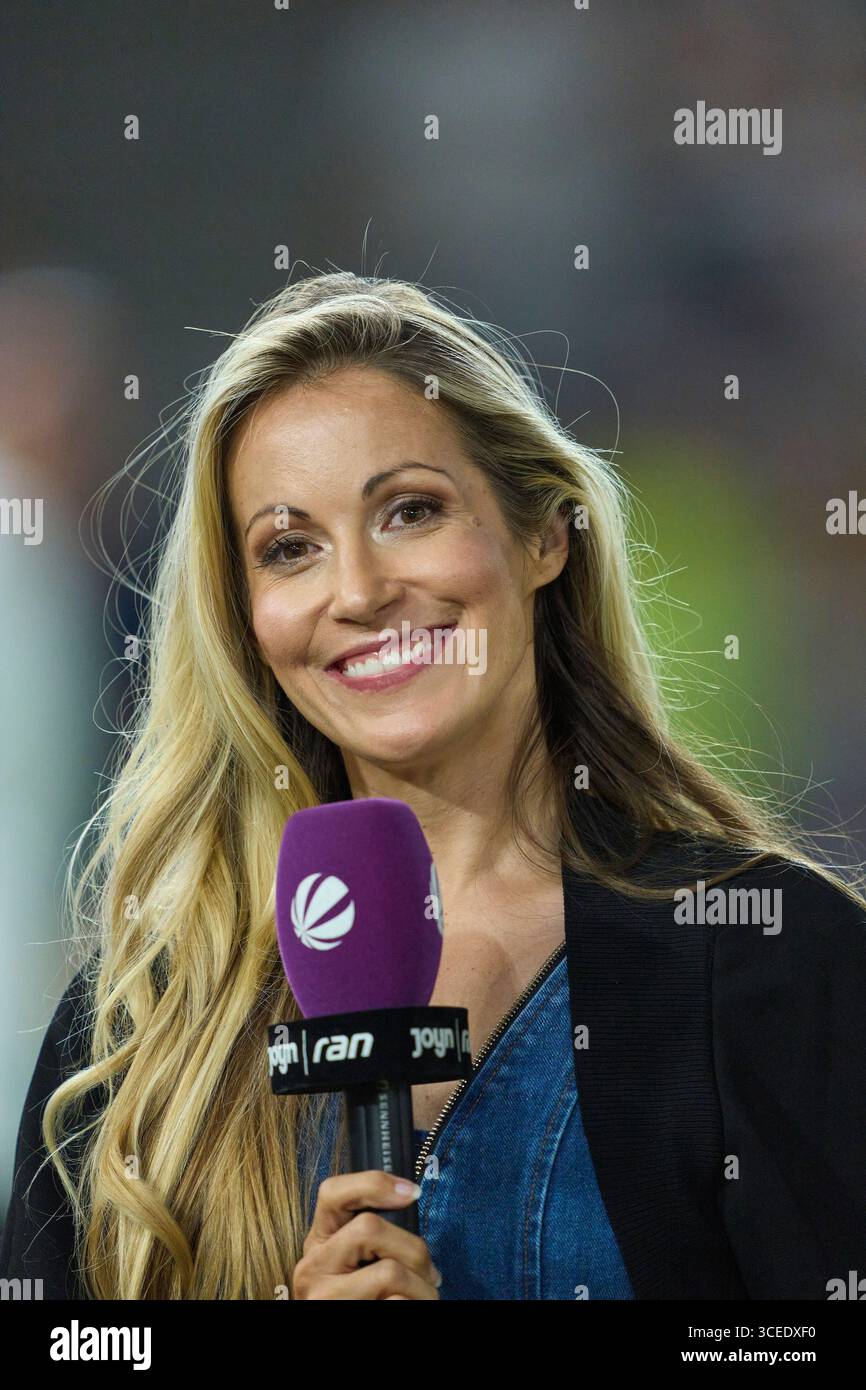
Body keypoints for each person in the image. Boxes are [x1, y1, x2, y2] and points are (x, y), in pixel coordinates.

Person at [2, 271, 864, 1300]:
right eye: (290, 548)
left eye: (410, 511)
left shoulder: (766, 954)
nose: (359, 591)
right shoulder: (140, 1023)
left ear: (544, 535)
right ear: (245, 619)